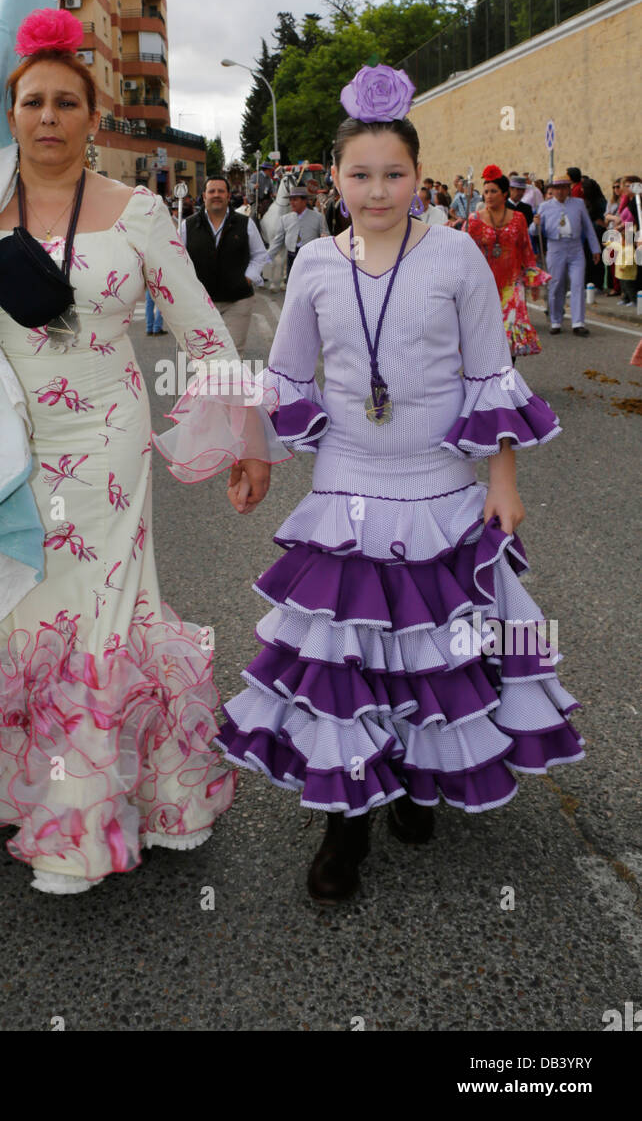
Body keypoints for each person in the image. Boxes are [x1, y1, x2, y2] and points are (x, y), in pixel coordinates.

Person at [0, 8, 289, 897]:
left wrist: (248, 433)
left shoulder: (143, 213)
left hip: (108, 448)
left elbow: (205, 336)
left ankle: (77, 825)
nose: (47, 117)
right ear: (12, 114)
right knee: (17, 606)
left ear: (91, 115)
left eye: (65, 102)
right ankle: (37, 781)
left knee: (100, 613)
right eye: (31, 101)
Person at [216, 63, 582, 904]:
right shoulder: (311, 261)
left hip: (446, 486)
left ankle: (423, 779)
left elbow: (491, 376)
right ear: (333, 178)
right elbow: (285, 377)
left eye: (394, 174)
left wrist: (504, 481)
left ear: (418, 176)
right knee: (347, 653)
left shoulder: (455, 254)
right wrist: (257, 459)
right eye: (359, 175)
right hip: (348, 482)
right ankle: (344, 827)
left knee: (438, 651)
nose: (376, 191)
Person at [465, 171, 549, 363]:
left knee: (510, 332)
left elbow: (527, 251)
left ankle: (507, 377)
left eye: (493, 191)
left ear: (504, 194)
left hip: (512, 284)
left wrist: (533, 282)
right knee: (485, 332)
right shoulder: (474, 219)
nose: (488, 195)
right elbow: (466, 254)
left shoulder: (519, 219)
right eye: (485, 192)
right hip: (483, 284)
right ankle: (486, 376)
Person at [182, 175, 270, 355]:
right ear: (204, 196)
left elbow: (259, 255)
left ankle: (230, 384)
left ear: (228, 196)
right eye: (211, 191)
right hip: (201, 305)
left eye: (221, 191)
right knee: (204, 356)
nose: (216, 195)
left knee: (232, 356)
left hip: (237, 302)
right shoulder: (187, 226)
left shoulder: (245, 224)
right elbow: (177, 260)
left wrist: (248, 278)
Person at [533, 176, 601, 335]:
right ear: (552, 190)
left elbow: (588, 227)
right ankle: (555, 320)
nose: (560, 191)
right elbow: (535, 232)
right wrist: (535, 224)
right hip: (555, 248)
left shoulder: (578, 204)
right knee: (556, 285)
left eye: (564, 187)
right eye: (557, 188)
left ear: (569, 189)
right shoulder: (544, 206)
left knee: (577, 284)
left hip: (575, 248)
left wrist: (595, 249)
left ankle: (578, 322)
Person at [265, 188, 329, 281]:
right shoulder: (285, 219)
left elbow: (326, 234)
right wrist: (267, 257)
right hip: (292, 257)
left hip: (310, 259)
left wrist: (325, 237)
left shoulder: (318, 217)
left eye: (295, 200)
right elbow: (277, 242)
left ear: (304, 201)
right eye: (290, 200)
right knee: (292, 286)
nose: (292, 203)